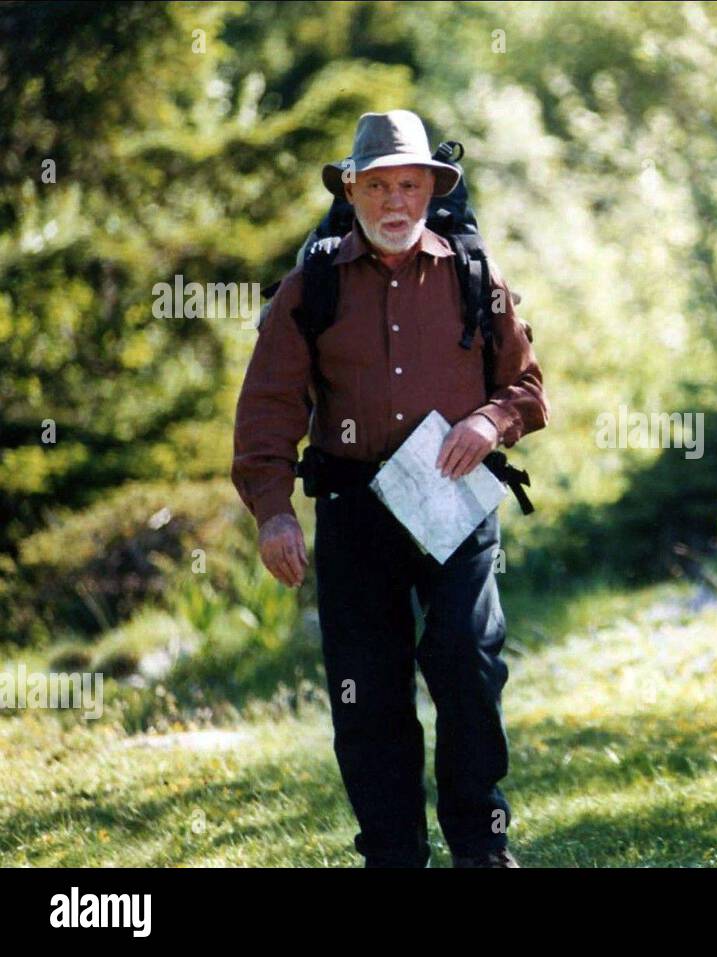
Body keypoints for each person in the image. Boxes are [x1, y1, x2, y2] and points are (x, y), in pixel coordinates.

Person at [231, 110, 547, 867]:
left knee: (467, 662)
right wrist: (275, 513)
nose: (395, 201)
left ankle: (481, 845)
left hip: (456, 504)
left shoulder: (476, 274)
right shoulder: (310, 290)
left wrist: (490, 421)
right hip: (353, 509)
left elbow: (528, 388)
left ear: (434, 189)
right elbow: (268, 412)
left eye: (410, 184)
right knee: (365, 692)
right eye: (377, 186)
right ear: (352, 190)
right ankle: (392, 854)